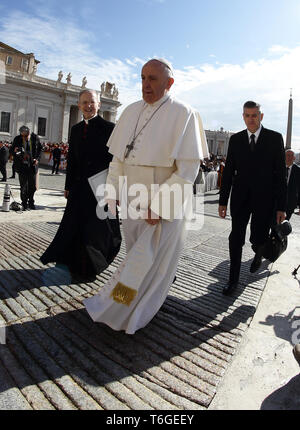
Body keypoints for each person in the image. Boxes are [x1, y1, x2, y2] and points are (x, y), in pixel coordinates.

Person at [84, 58, 208, 334]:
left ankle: (128, 310)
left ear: (169, 83)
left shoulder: (184, 113)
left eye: (152, 78)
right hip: (131, 201)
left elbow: (188, 169)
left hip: (159, 205)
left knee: (147, 265)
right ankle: (127, 303)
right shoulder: (130, 111)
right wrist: (112, 194)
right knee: (135, 260)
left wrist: (161, 206)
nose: (145, 84)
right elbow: (117, 159)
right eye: (142, 78)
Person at [40, 89, 122, 282]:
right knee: (75, 226)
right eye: (84, 102)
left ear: (99, 104)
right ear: (79, 105)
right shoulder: (75, 129)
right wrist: (68, 185)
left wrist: (114, 188)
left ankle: (91, 266)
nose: (88, 106)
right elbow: (73, 161)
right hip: (78, 188)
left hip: (99, 188)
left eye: (92, 102)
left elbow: (116, 161)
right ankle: (74, 263)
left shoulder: (110, 128)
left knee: (97, 229)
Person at [219, 101, 287, 295]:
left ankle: (259, 250)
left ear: (261, 116)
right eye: (247, 115)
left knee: (258, 238)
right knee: (235, 238)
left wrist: (281, 206)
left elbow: (281, 174)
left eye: (254, 115)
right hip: (240, 198)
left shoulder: (275, 138)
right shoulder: (236, 140)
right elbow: (229, 172)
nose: (251, 119)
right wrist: (223, 201)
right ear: (243, 117)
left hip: (265, 200)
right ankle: (233, 281)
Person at [10, 126, 42, 210]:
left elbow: (40, 150)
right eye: (22, 136)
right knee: (23, 186)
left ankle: (31, 201)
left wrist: (37, 159)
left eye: (25, 136)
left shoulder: (35, 138)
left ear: (29, 133)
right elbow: (11, 150)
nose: (23, 137)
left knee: (32, 186)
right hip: (22, 166)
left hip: (32, 166)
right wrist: (15, 150)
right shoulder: (17, 139)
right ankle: (24, 202)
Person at [285, 149, 300, 220]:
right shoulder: (278, 168)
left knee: (284, 224)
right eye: (287, 155)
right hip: (276, 202)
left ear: (294, 158)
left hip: (290, 202)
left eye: (291, 156)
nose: (289, 157)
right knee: (274, 224)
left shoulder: (298, 171)